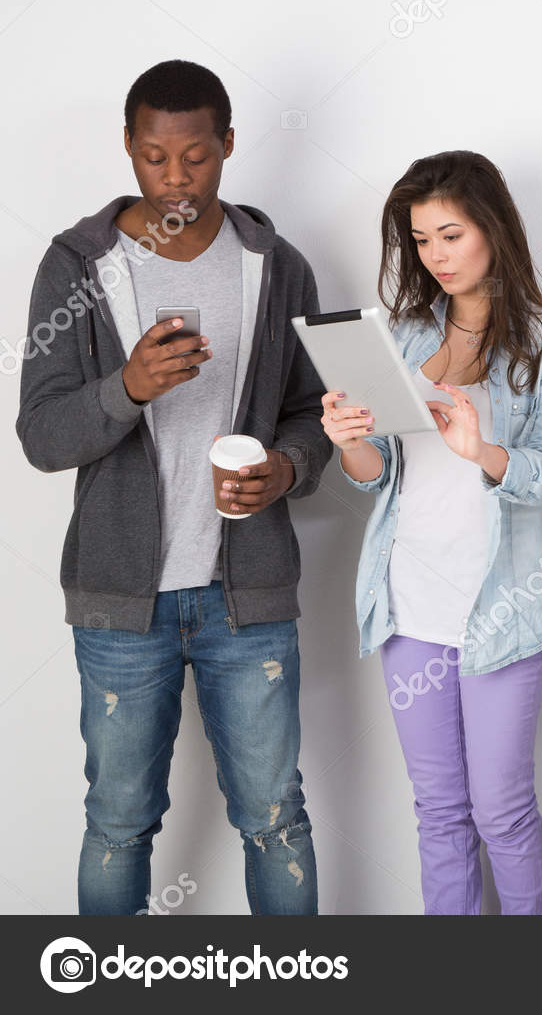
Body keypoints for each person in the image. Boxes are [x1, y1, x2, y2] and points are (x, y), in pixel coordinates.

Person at [16, 59, 332, 914]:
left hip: (249, 597)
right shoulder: (78, 266)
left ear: (228, 144)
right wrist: (129, 387)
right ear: (128, 146)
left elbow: (314, 414)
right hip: (122, 601)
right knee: (118, 822)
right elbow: (40, 436)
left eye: (195, 156)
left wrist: (286, 471)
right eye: (154, 157)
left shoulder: (277, 264)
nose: (175, 178)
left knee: (276, 818)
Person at [324, 150, 542, 915]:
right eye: (421, 240)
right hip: (411, 606)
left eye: (451, 234)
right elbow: (378, 474)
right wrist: (348, 436)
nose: (435, 255)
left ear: (493, 231)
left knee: (500, 810)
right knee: (439, 812)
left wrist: (483, 451)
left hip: (502, 605)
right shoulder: (404, 336)